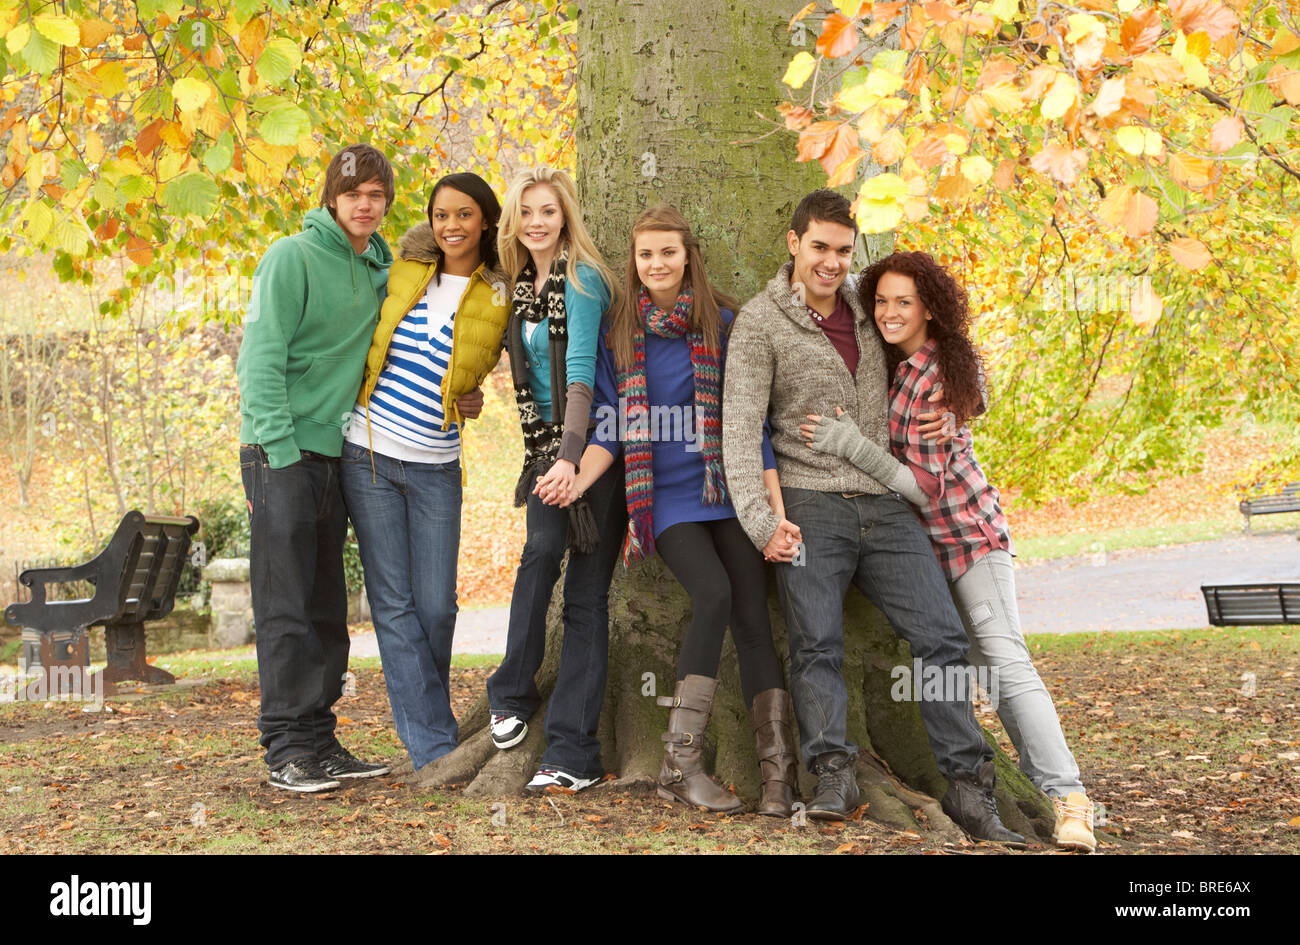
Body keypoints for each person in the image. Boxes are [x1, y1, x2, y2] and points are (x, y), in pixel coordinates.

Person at [721, 189, 1022, 844]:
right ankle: (833, 771)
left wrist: (967, 400)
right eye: (820, 247)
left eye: (842, 250)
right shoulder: (760, 324)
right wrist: (761, 521)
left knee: (942, 637)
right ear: (794, 243)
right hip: (807, 501)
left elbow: (942, 343)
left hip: (888, 502)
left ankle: (971, 790)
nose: (832, 262)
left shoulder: (868, 302)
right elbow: (739, 432)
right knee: (816, 641)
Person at [800, 250, 1096, 852]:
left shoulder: (934, 377)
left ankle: (1070, 798)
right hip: (919, 548)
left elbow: (923, 487)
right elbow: (844, 278)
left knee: (1003, 660)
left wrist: (849, 444)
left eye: (904, 302)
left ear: (929, 308)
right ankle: (1047, 787)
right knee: (972, 662)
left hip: (967, 539)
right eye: (881, 302)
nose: (887, 312)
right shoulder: (897, 360)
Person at [543, 206, 797, 814]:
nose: (656, 264)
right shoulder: (618, 331)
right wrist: (575, 478)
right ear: (633, 263)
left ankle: (779, 777)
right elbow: (610, 427)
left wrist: (775, 513)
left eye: (667, 253)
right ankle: (679, 766)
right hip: (667, 500)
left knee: (753, 616)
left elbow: (751, 427)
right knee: (711, 595)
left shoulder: (724, 323)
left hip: (727, 492)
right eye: (645, 255)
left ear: (689, 256)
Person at [339, 172, 510, 781]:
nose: (451, 226)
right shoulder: (405, 270)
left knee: (436, 607)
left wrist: (475, 400)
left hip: (437, 464)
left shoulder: (502, 291)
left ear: (485, 220)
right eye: (441, 215)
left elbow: (506, 363)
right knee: (394, 604)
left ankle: (428, 723)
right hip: (370, 453)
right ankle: (435, 748)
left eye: (464, 215)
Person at [236, 144, 395, 792]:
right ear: (332, 196)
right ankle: (285, 747)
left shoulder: (379, 269)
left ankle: (320, 740)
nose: (365, 203)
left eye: (377, 194)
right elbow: (260, 359)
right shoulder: (290, 257)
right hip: (281, 454)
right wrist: (277, 451)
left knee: (328, 604)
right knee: (286, 604)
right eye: (354, 192)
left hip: (336, 454)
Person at [484, 167, 626, 793]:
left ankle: (573, 752)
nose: (536, 222)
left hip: (590, 449)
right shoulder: (516, 288)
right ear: (513, 222)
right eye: (525, 212)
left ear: (565, 216)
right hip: (543, 450)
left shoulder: (583, 281)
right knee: (540, 551)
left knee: (586, 599)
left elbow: (580, 379)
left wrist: (569, 461)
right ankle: (510, 692)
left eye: (547, 210)